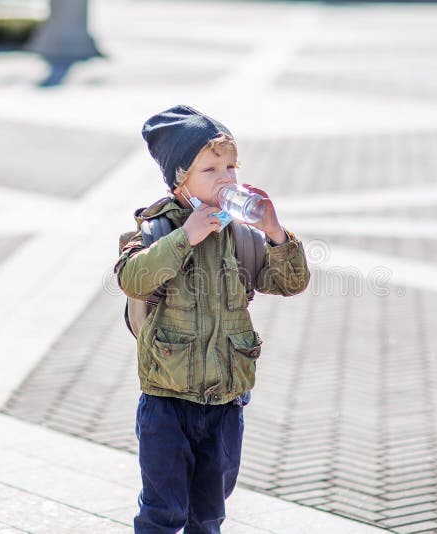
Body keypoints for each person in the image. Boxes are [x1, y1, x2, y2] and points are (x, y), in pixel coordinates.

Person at [114, 104, 311, 533]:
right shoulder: (153, 230)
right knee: (163, 512)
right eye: (210, 169)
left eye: (231, 167)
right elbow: (133, 278)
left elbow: (290, 282)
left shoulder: (241, 234)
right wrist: (187, 236)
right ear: (179, 179)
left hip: (225, 404)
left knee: (208, 514)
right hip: (167, 400)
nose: (225, 178)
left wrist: (276, 233)